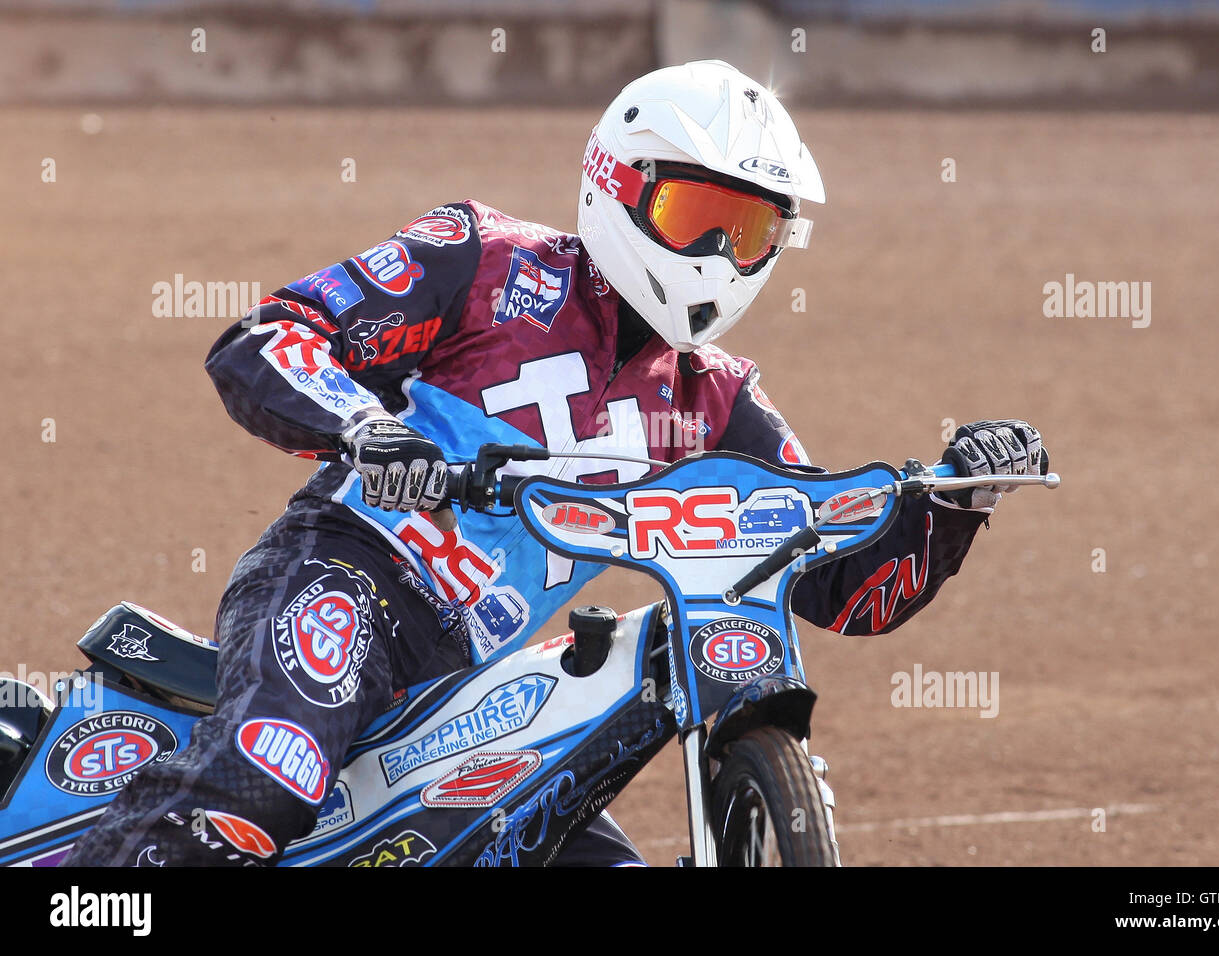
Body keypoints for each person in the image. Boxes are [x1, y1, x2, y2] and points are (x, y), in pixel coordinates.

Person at [65, 60, 1046, 867]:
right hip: (344, 578)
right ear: (617, 182)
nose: (717, 251)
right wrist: (367, 428)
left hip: (481, 680)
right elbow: (268, 336)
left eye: (748, 230)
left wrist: (952, 503)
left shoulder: (716, 399)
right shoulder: (481, 260)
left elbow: (837, 585)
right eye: (695, 211)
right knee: (263, 783)